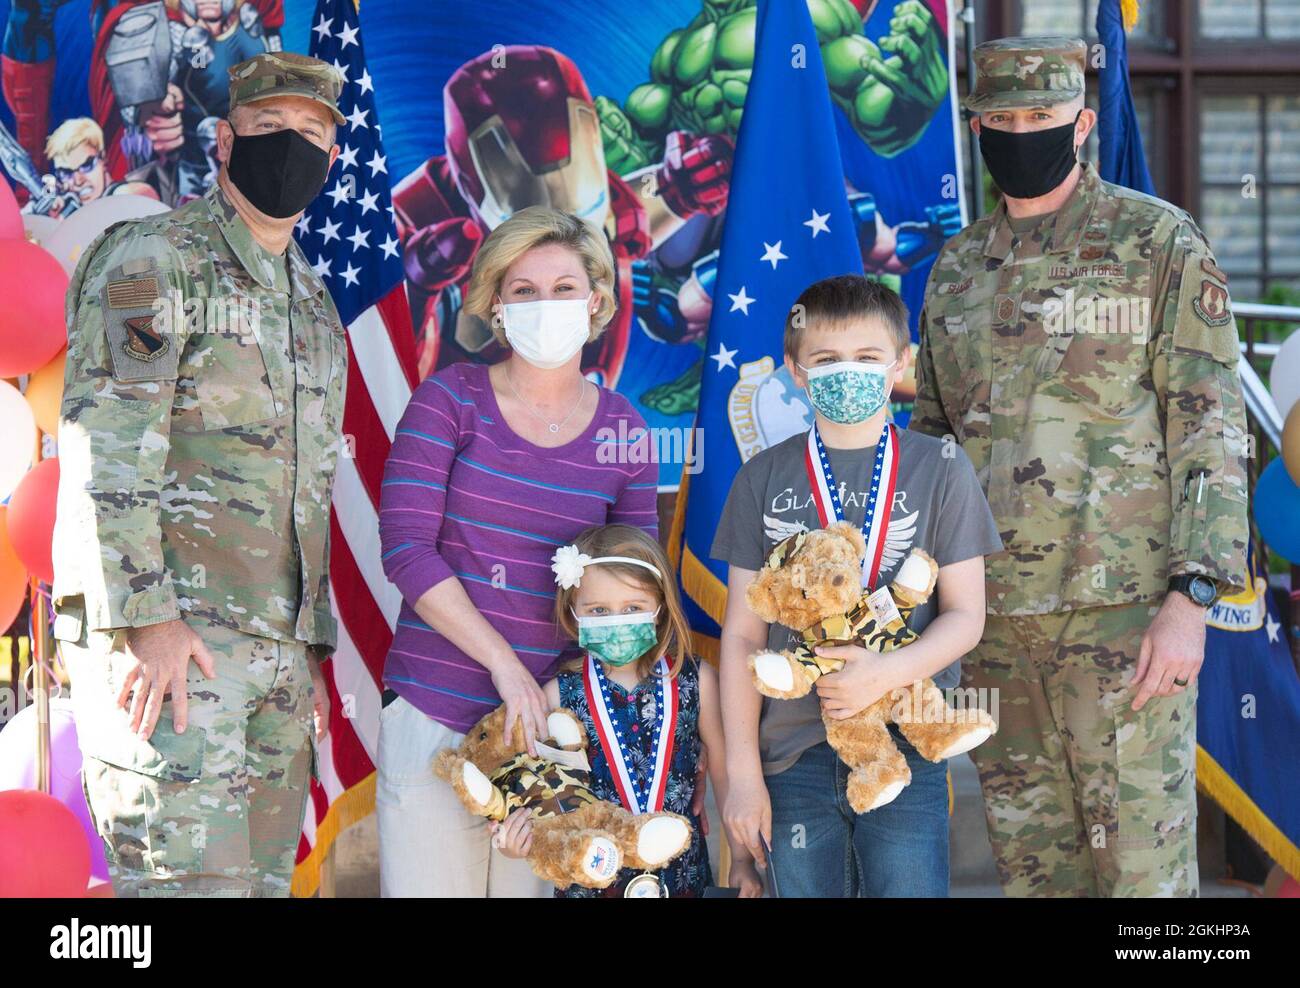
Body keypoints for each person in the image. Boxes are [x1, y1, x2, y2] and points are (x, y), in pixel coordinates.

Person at [911, 37, 1250, 898]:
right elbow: (931, 439)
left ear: (1083, 122)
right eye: (1002, 119)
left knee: (1142, 878)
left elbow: (1209, 422)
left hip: (1125, 619)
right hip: (990, 627)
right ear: (977, 124)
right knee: (1034, 876)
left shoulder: (1155, 240)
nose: (1021, 133)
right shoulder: (954, 272)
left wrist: (1195, 596)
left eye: (1042, 118)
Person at [52, 51, 346, 897]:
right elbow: (105, 442)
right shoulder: (152, 261)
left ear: (331, 160)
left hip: (277, 664)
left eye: (313, 135)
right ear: (223, 141)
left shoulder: (313, 303)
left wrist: (308, 650)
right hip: (176, 653)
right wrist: (146, 622)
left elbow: (308, 490)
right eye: (269, 129)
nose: (292, 148)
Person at [376, 206, 660, 897]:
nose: (545, 305)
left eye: (563, 287)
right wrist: (504, 666)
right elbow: (406, 550)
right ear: (494, 306)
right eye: (523, 289)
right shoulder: (448, 400)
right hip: (434, 716)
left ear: (596, 300)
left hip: (557, 736)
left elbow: (638, 585)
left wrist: (568, 710)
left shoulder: (624, 428)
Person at [713, 274, 1003, 897]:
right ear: (795, 369)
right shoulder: (761, 477)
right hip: (789, 756)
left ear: (901, 363)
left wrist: (882, 675)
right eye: (826, 359)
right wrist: (742, 771)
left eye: (868, 358)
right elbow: (742, 631)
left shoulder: (941, 468)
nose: (848, 372)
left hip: (906, 748)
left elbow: (965, 615)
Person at [492, 524, 764, 897]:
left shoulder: (697, 681)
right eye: (599, 610)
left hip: (681, 878)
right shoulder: (556, 696)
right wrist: (508, 841)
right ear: (574, 613)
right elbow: (531, 789)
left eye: (632, 608)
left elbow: (723, 773)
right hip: (589, 883)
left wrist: (741, 860)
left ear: (659, 608)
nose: (615, 621)